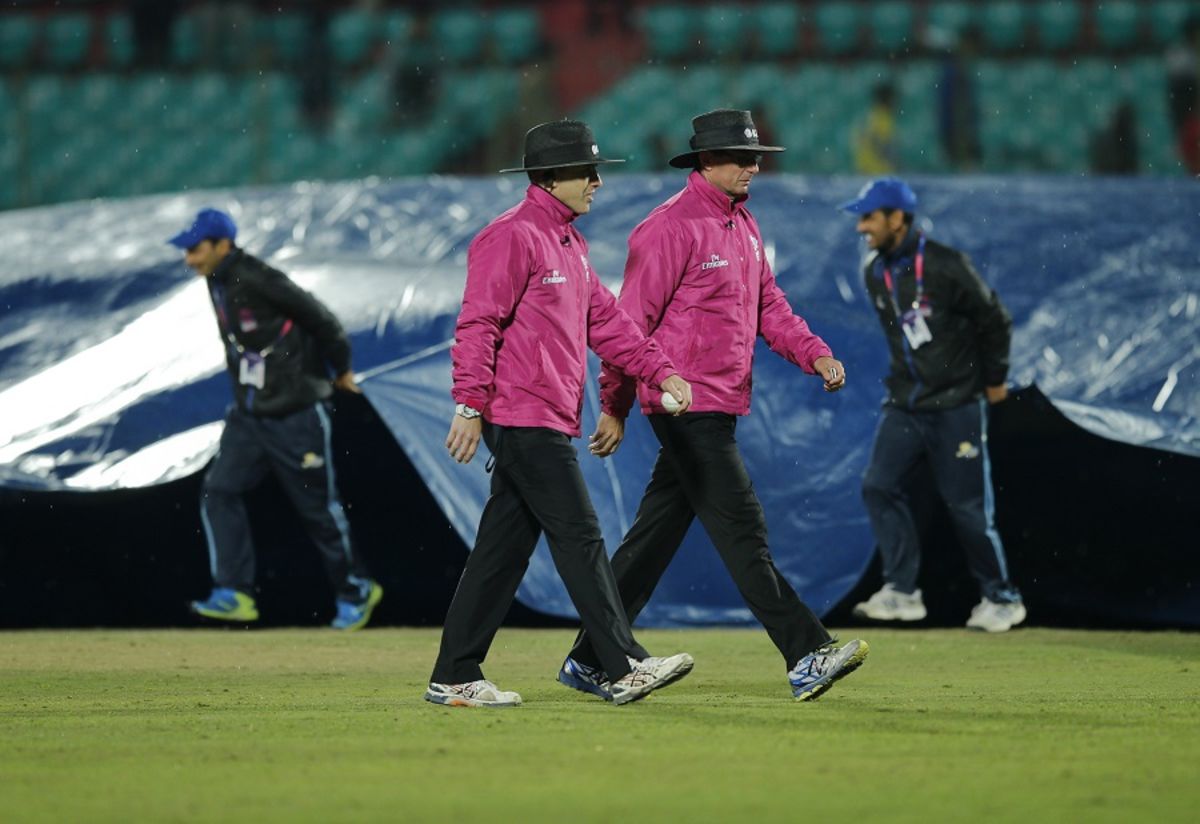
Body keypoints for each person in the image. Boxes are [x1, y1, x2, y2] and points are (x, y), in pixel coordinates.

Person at [559, 109, 869, 703]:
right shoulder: (669, 228)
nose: (753, 167)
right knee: (741, 527)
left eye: (755, 157)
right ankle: (806, 653)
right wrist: (615, 404)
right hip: (684, 406)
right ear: (705, 161)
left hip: (720, 402)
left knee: (653, 540)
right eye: (740, 157)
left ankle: (590, 657)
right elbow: (629, 326)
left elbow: (769, 307)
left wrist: (815, 354)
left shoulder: (743, 225)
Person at [427, 120, 696, 709]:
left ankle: (454, 674)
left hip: (545, 414)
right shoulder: (511, 237)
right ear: (550, 178)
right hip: (518, 413)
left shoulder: (568, 243)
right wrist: (470, 403)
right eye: (586, 171)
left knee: (502, 551)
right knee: (580, 535)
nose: (597, 182)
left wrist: (660, 369)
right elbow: (478, 324)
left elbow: (610, 324)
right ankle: (618, 665)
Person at [168, 208, 383, 630]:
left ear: (221, 245)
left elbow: (325, 322)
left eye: (195, 249)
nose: (189, 259)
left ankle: (356, 589)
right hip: (249, 416)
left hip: (296, 413)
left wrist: (340, 372)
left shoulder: (258, 278)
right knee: (219, 490)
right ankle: (234, 593)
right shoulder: (216, 279)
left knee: (318, 510)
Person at [839, 178, 1025, 632]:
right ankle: (902, 592)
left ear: (897, 219)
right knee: (878, 485)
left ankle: (1002, 598)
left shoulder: (946, 265)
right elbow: (904, 337)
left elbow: (994, 320)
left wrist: (995, 379)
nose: (862, 226)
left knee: (967, 508)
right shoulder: (874, 272)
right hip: (906, 403)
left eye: (869, 216)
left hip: (958, 402)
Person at [853, 83, 898, 174]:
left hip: (863, 171)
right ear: (889, 99)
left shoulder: (869, 116)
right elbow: (885, 148)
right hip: (880, 172)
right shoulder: (883, 118)